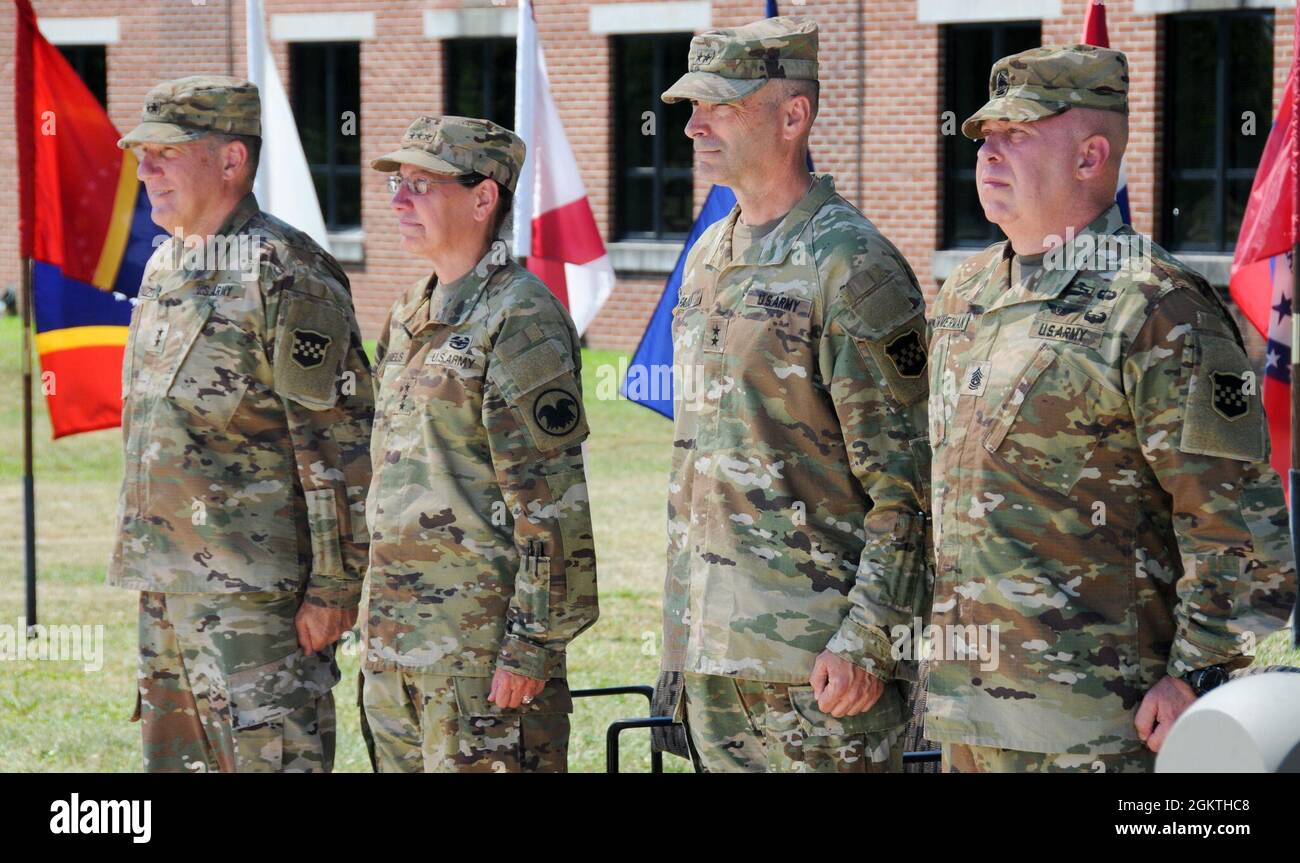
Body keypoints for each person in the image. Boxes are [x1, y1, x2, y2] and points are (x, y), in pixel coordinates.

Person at [926, 45, 1297, 772]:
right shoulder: (965, 294)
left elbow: (1240, 528)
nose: (990, 153)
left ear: (1092, 156)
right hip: (966, 711)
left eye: (1018, 134)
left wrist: (1199, 673)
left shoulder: (1158, 307)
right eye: (985, 137)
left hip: (1097, 724)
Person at [652, 16, 933, 772]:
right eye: (689, 109)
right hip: (718, 665)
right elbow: (697, 465)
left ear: (793, 116)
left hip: (821, 675)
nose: (695, 127)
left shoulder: (854, 269)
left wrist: (868, 639)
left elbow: (908, 490)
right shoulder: (711, 252)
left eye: (720, 105)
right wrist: (681, 643)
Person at [110, 75, 374, 772]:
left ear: (231, 161)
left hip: (260, 602)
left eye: (167, 151)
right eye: (143, 153)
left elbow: (340, 445)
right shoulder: (165, 264)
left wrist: (334, 590)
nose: (147, 168)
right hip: (169, 591)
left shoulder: (288, 271)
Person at [360, 115, 599, 772]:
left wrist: (532, 647)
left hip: (479, 661)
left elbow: (551, 506)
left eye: (421, 184)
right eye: (397, 184)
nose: (399, 201)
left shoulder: (521, 318)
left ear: (483, 196)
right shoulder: (409, 311)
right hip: (395, 652)